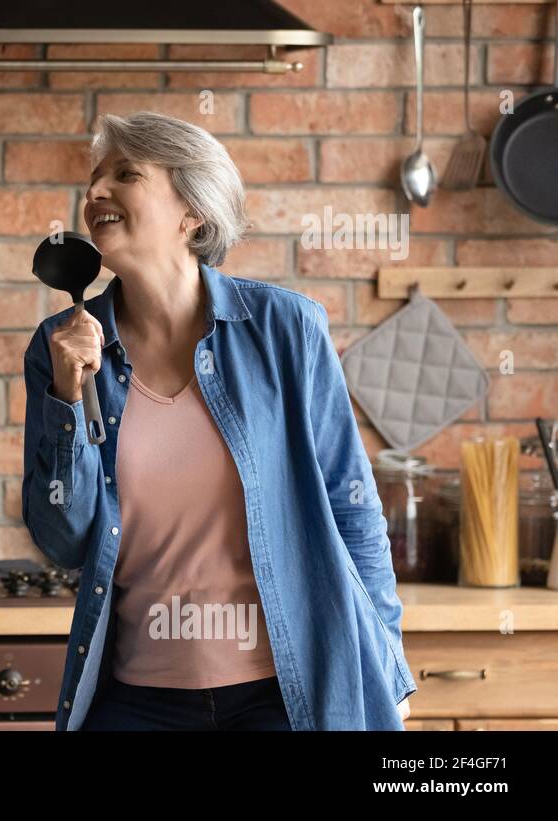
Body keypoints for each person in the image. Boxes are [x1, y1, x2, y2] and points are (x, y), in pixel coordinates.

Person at [21, 111, 415, 731]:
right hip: (135, 699)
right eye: (93, 179)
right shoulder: (61, 346)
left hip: (283, 696)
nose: (95, 193)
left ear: (192, 211)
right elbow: (62, 538)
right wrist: (67, 401)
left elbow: (352, 508)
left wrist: (386, 659)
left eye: (125, 174)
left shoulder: (286, 329)